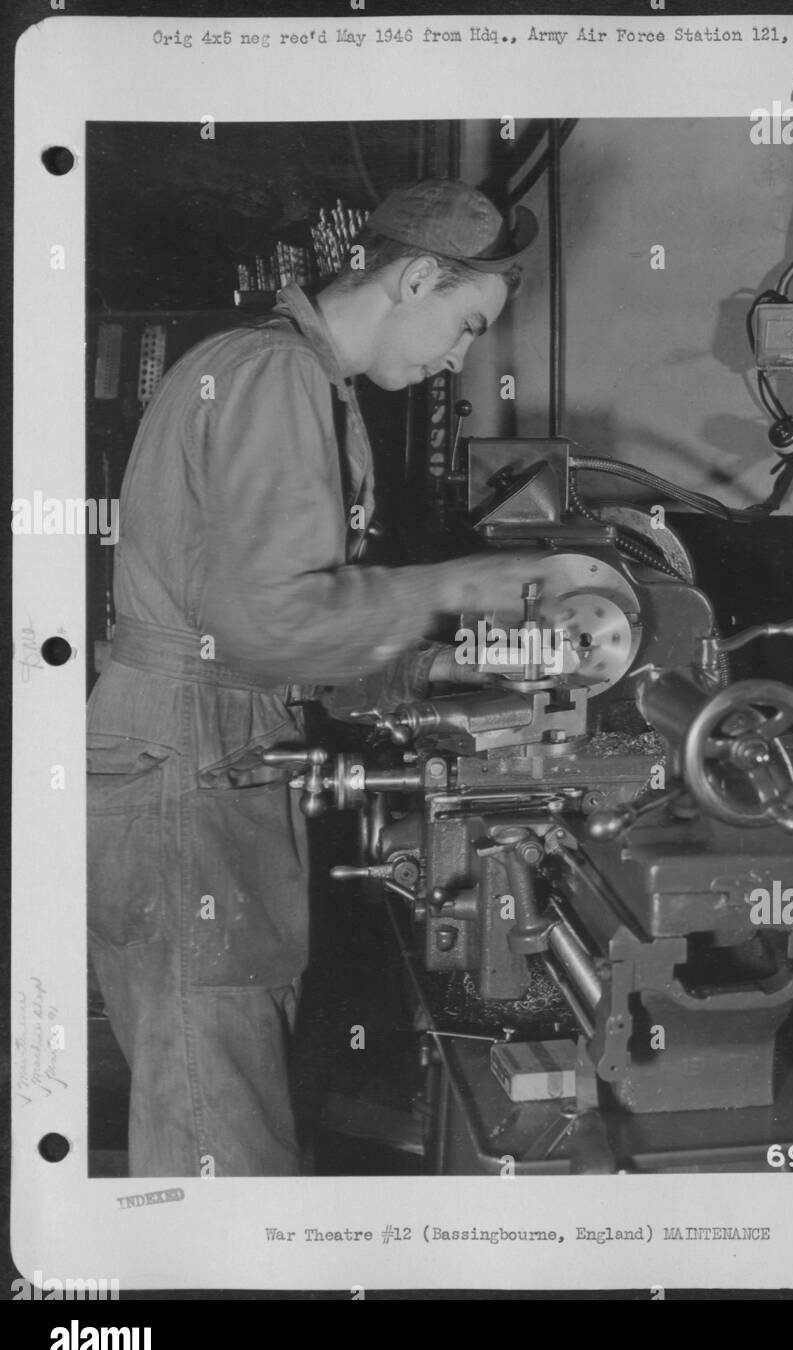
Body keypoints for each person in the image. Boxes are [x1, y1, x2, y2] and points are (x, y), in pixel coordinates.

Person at [87, 179, 540, 1177]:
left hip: (210, 752)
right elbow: (271, 617)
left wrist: (445, 666)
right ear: (416, 276)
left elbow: (271, 614)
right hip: (189, 764)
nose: (456, 358)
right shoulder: (274, 377)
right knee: (219, 1138)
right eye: (463, 325)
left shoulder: (289, 377)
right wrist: (462, 582)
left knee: (222, 1094)